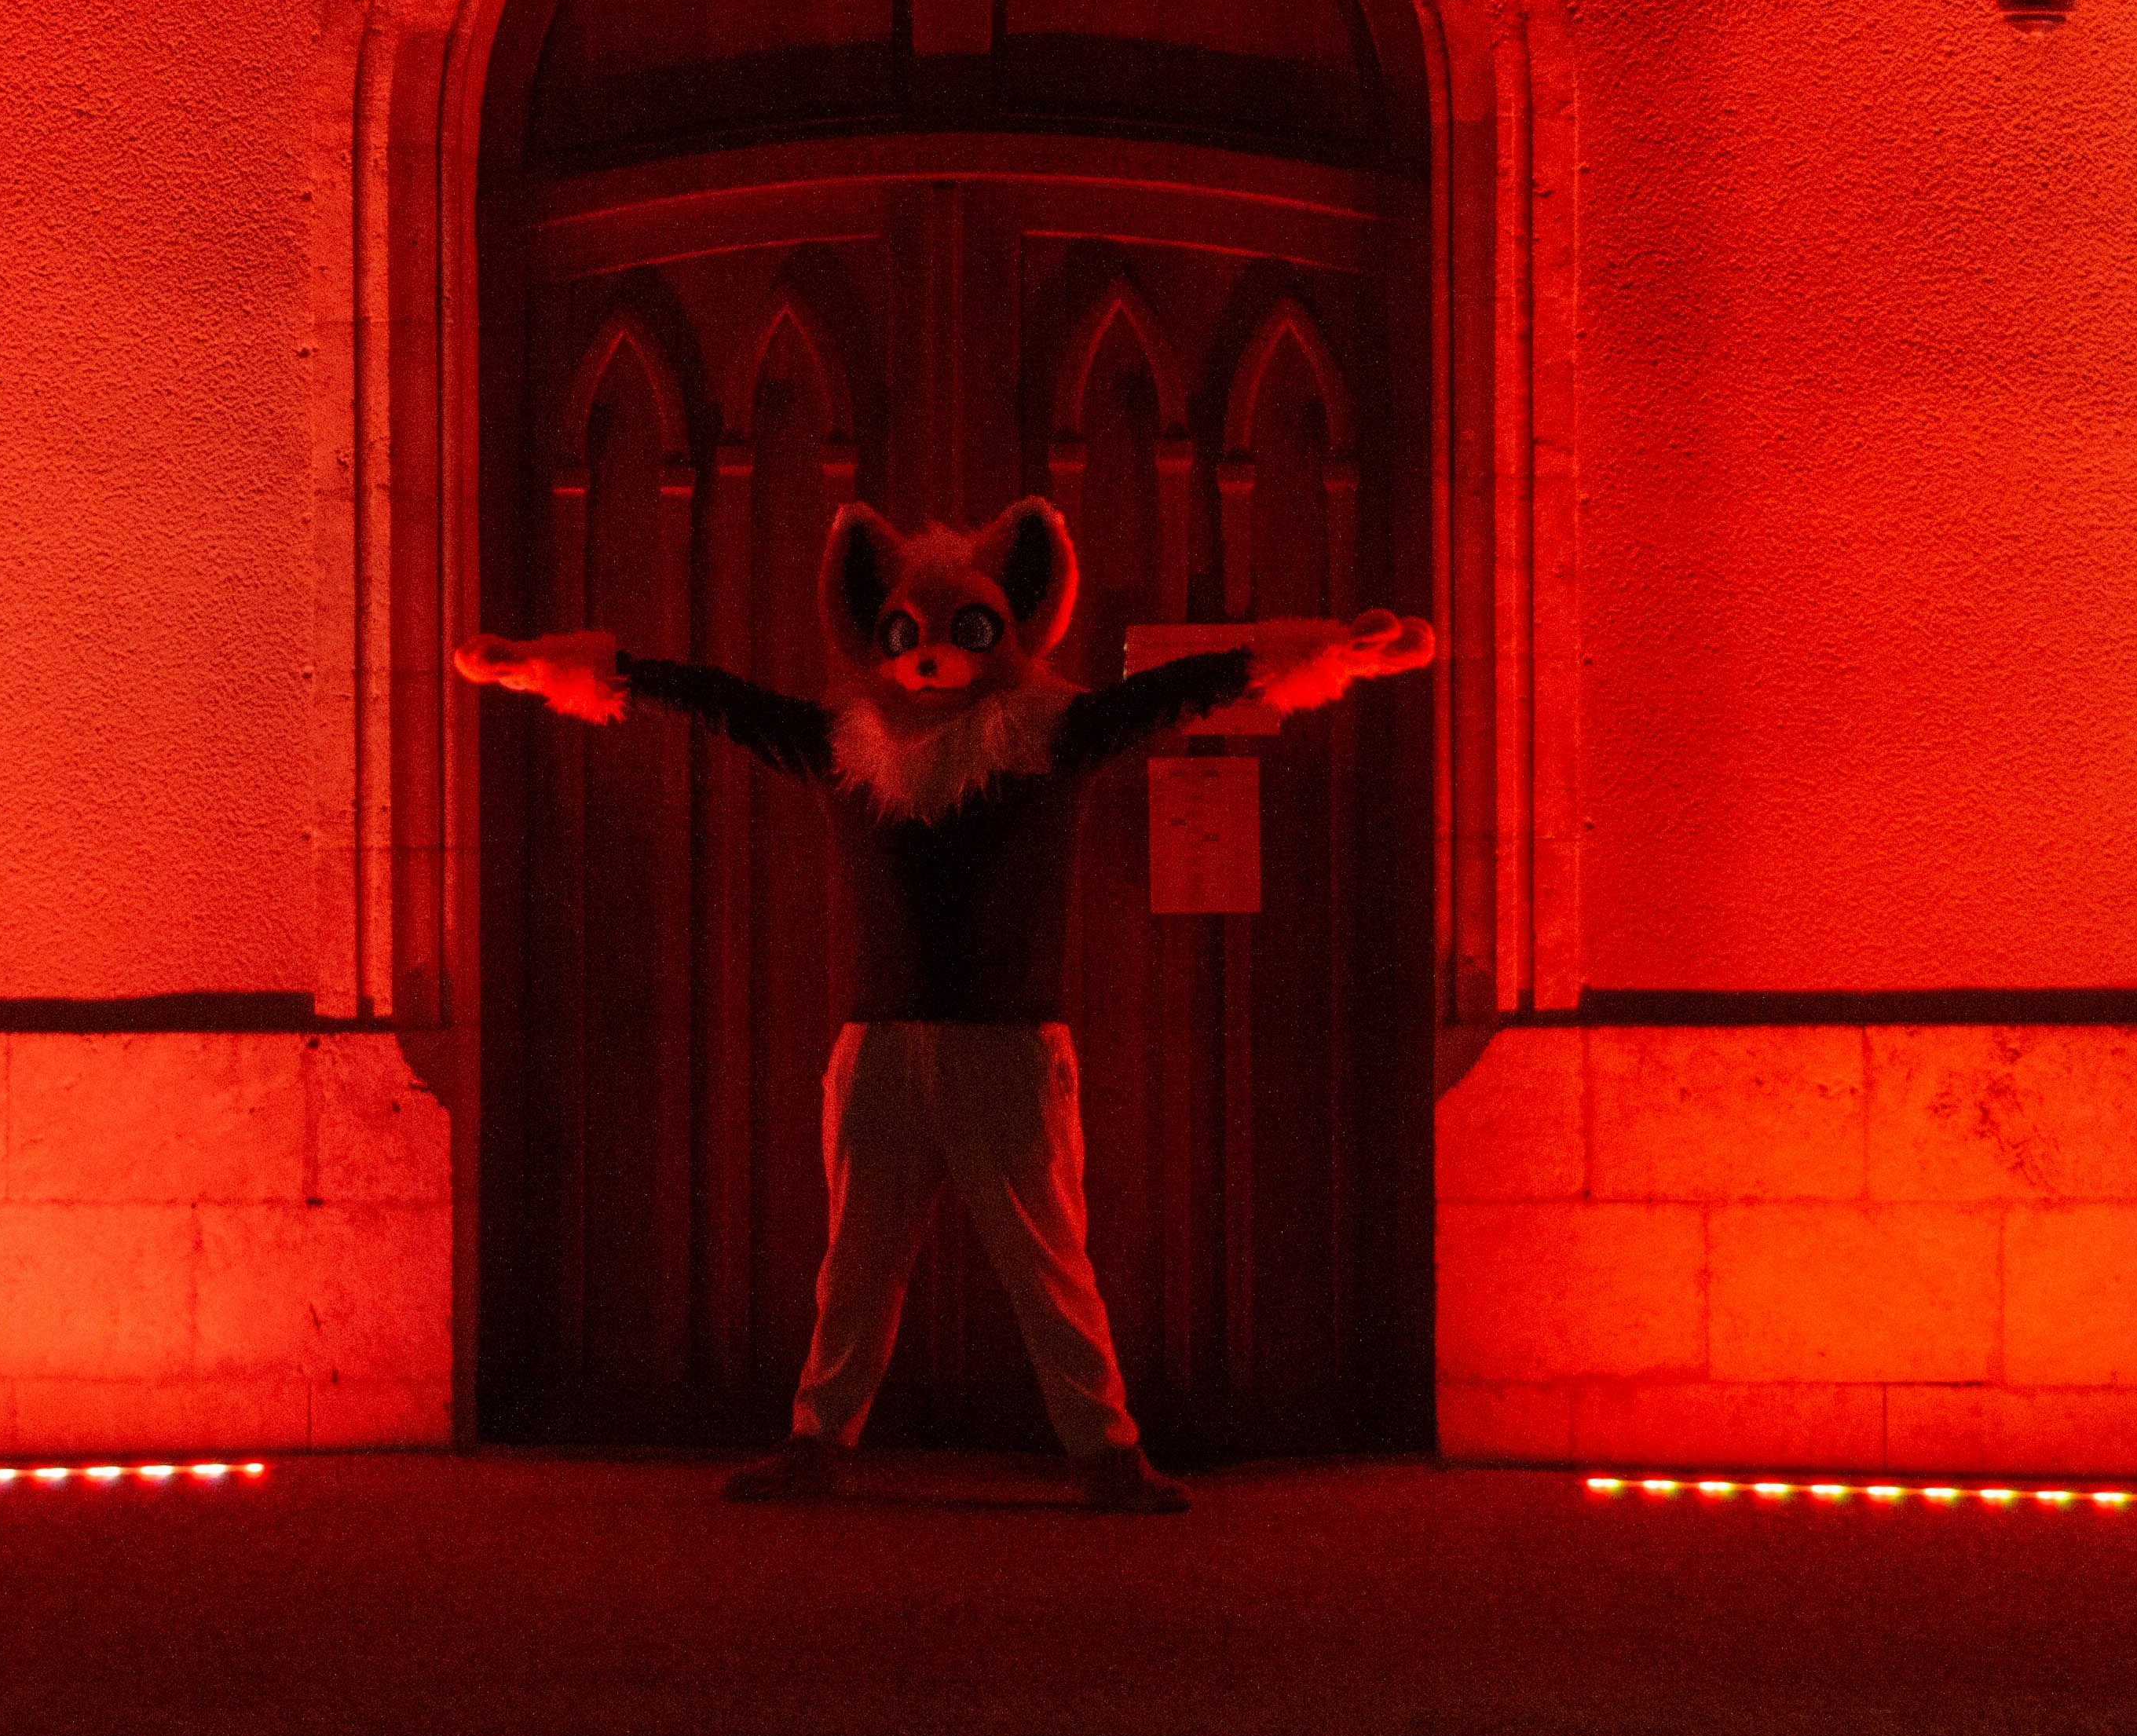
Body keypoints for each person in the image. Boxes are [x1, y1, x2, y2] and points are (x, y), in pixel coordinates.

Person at [456, 495, 1433, 1512]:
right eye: (905, 634)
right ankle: (820, 1441)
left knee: (1048, 1260)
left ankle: (1106, 1450)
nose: (929, 655)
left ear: (1012, 624)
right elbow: (715, 700)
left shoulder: (1052, 733)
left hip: (1008, 1048)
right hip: (880, 1046)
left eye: (966, 629)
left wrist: (1335, 654)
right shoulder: (846, 743)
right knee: (859, 1261)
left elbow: (1180, 690)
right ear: (873, 633)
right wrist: (551, 669)